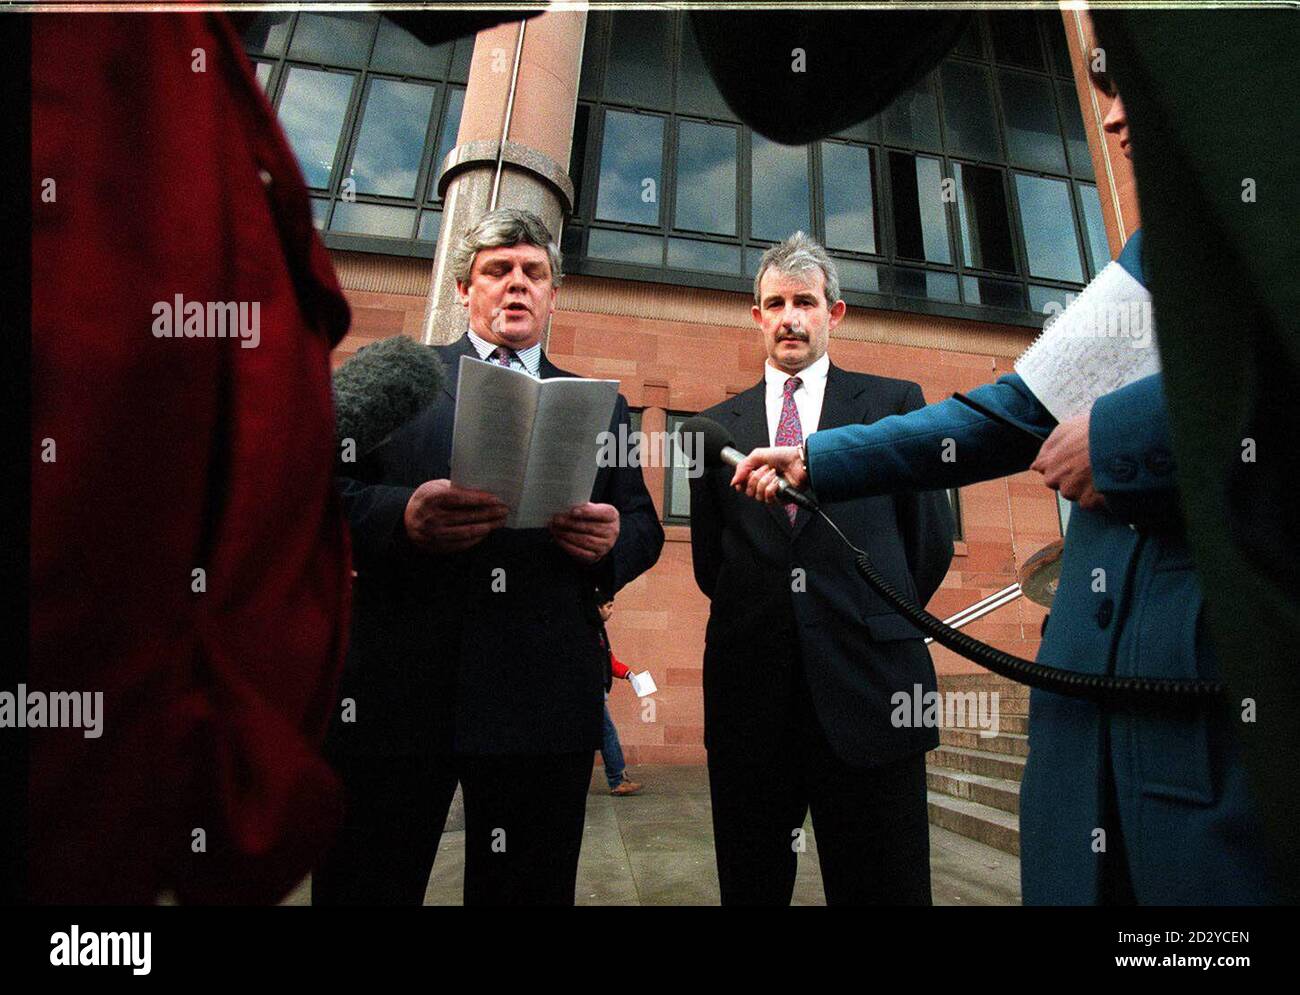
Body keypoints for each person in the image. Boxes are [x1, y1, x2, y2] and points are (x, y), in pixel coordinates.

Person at [730, 81, 1277, 905]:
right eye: (1102, 89)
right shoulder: (1155, 257)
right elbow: (1017, 409)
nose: (1115, 118)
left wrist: (1124, 435)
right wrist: (824, 460)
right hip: (1092, 719)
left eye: (1133, 84)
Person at [313, 208, 664, 906]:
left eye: (534, 273)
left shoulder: (604, 406)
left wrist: (610, 544)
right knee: (365, 881)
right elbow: (312, 490)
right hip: (397, 693)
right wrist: (399, 515)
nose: (516, 285)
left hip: (541, 699)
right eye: (497, 270)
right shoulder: (391, 376)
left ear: (554, 294)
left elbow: (645, 524)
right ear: (464, 288)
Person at [688, 233, 955, 906]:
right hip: (752, 699)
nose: (788, 316)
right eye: (774, 302)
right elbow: (709, 564)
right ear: (756, 316)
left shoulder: (895, 405)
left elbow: (927, 545)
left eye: (804, 301)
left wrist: (863, 615)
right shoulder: (714, 428)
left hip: (871, 690)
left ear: (834, 314)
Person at [594, 591, 643, 796]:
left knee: (604, 735)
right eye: (608, 606)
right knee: (608, 734)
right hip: (591, 694)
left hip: (596, 693)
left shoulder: (599, 632)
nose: (611, 611)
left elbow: (610, 661)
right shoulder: (590, 632)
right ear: (597, 608)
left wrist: (630, 674)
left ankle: (617, 779)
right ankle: (617, 780)